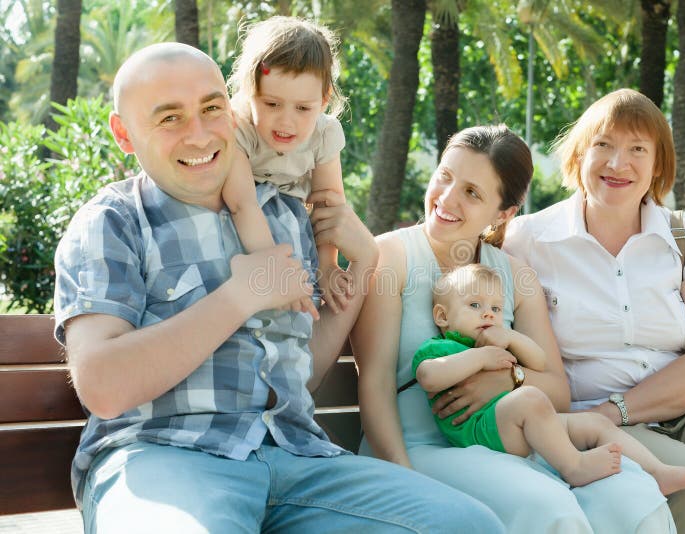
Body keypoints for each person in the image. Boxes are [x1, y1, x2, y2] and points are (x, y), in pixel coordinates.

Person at [53, 42, 506, 533]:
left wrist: (363, 264)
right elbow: (102, 386)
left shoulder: (286, 216)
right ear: (124, 133)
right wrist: (240, 295)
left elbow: (299, 374)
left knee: (469, 524)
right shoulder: (114, 222)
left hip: (298, 456)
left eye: (210, 109)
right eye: (170, 119)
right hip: (164, 454)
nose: (199, 133)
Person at [352, 124, 677, 533]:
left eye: (472, 192)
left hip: (510, 440)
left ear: (504, 213)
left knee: (634, 498)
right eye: (446, 176)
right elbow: (375, 382)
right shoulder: (392, 256)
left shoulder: (515, 276)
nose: (447, 198)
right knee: (549, 508)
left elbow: (557, 390)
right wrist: (403, 477)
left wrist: (509, 378)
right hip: (415, 450)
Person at [503, 88, 685, 533]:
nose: (618, 163)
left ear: (657, 165)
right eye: (603, 145)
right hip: (592, 418)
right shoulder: (528, 239)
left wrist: (614, 411)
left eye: (637, 149)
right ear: (580, 153)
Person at [414, 263, 685, 493]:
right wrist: (480, 358)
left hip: (518, 424)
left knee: (595, 422)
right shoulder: (441, 347)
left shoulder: (499, 343)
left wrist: (512, 337)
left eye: (495, 309)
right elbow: (428, 376)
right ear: (442, 316)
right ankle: (574, 466)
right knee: (529, 397)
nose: (488, 315)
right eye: (475, 306)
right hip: (478, 432)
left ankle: (658, 473)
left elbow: (539, 361)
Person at [224, 16, 352, 314]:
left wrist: (328, 264)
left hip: (295, 232)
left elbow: (328, 203)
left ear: (323, 100)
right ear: (249, 90)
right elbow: (242, 204)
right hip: (243, 227)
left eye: (303, 108)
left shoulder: (324, 133)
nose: (286, 121)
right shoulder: (237, 126)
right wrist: (275, 268)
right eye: (271, 104)